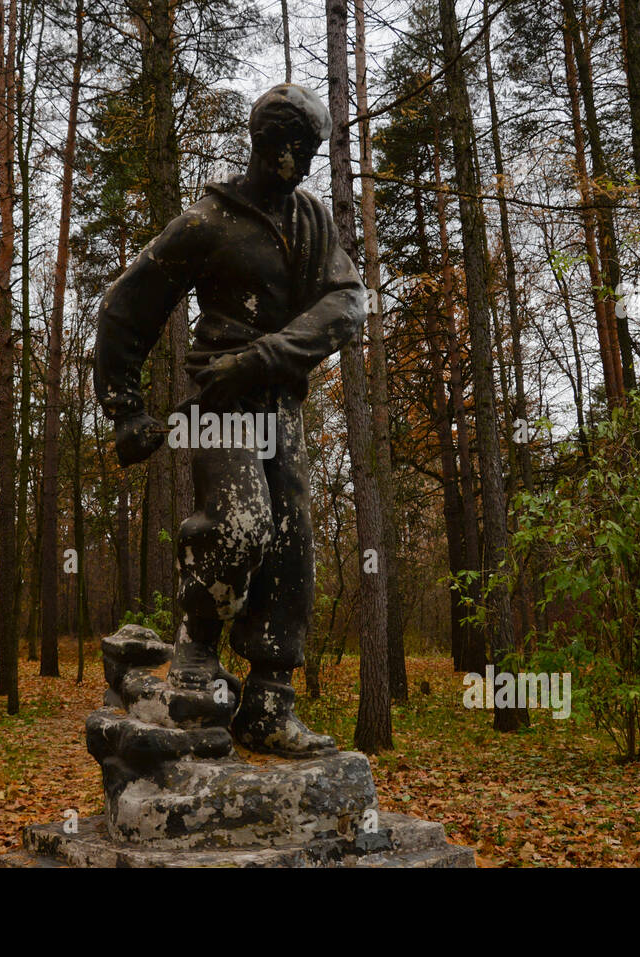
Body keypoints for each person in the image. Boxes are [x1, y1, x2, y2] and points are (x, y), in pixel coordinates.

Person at [93, 84, 366, 757]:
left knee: (292, 546)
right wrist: (126, 408)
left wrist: (270, 353)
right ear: (269, 144)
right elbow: (126, 309)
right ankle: (196, 647)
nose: (304, 165)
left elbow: (347, 301)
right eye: (296, 151)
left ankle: (269, 705)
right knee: (241, 528)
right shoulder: (208, 221)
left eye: (312, 153)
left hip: (280, 405)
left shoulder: (311, 221)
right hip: (218, 409)